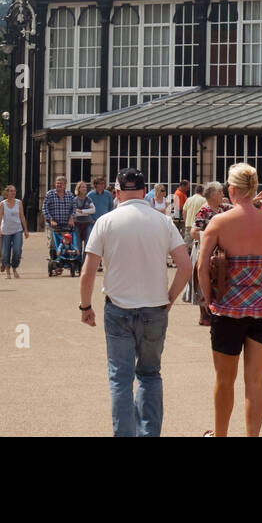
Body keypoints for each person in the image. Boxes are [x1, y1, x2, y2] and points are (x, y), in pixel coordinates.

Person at [79, 168, 190, 437]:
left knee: (120, 378)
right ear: (144, 192)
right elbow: (186, 266)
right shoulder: (162, 221)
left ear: (116, 193)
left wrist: (85, 307)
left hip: (118, 308)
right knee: (150, 375)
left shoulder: (105, 222)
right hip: (154, 307)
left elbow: (88, 271)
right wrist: (169, 299)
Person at [199, 163, 262, 436]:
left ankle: (220, 436)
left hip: (228, 308)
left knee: (225, 380)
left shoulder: (219, 222)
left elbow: (202, 266)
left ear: (231, 190)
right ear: (253, 189)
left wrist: (209, 300)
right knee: (255, 382)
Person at [191, 182, 229, 326]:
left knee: (219, 280)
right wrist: (210, 238)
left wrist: (252, 201)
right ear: (212, 195)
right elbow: (193, 232)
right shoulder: (204, 211)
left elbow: (238, 209)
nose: (222, 195)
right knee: (204, 278)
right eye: (220, 192)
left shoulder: (223, 208)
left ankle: (215, 310)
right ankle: (204, 314)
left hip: (220, 253)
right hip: (206, 251)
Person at [42, 176, 77, 266]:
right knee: (53, 244)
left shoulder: (70, 195)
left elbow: (74, 208)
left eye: (61, 183)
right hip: (53, 225)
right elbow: (44, 208)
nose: (59, 185)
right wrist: (51, 220)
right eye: (57, 183)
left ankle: (67, 262)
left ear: (65, 185)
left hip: (66, 225)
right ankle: (55, 263)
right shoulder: (50, 194)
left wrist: (71, 218)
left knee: (66, 243)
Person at [0, 184, 28, 278]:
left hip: (17, 230)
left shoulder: (19, 202)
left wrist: (26, 230)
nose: (13, 193)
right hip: (5, 230)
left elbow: (22, 216)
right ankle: (7, 271)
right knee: (5, 252)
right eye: (11, 191)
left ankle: (14, 268)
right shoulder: (2, 203)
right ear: (7, 192)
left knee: (17, 250)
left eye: (14, 191)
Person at [72, 181, 96, 265]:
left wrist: (82, 211)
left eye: (85, 187)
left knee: (87, 244)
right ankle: (78, 263)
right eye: (82, 187)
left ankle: (84, 263)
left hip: (87, 223)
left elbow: (93, 210)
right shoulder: (74, 199)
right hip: (77, 224)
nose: (84, 189)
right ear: (78, 189)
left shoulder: (88, 199)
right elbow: (75, 213)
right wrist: (87, 212)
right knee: (78, 245)